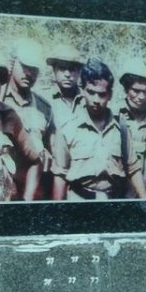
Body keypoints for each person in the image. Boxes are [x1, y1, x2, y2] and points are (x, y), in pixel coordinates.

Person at [49, 58, 133, 200]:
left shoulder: (121, 128)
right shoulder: (67, 128)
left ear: (110, 94)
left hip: (113, 201)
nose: (96, 99)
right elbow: (60, 175)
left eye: (101, 94)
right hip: (79, 201)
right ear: (82, 91)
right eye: (91, 92)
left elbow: (133, 168)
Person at [0, 38, 56, 200]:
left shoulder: (45, 108)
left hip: (35, 190)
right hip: (5, 189)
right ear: (12, 63)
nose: (29, 73)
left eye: (34, 69)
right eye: (24, 67)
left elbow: (52, 153)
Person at [116, 63, 146, 197]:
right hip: (119, 194)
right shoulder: (114, 118)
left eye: (145, 91)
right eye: (135, 90)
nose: (141, 96)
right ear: (126, 89)